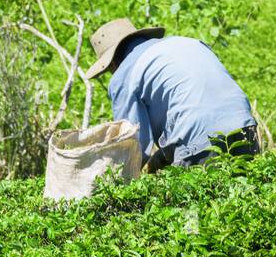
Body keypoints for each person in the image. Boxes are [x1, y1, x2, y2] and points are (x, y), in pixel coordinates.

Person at [85, 18, 258, 171]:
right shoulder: (188, 43)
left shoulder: (123, 75)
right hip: (244, 125)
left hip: (199, 140)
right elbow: (194, 107)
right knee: (246, 198)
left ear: (113, 62)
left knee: (197, 205)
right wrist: (160, 159)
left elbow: (132, 147)